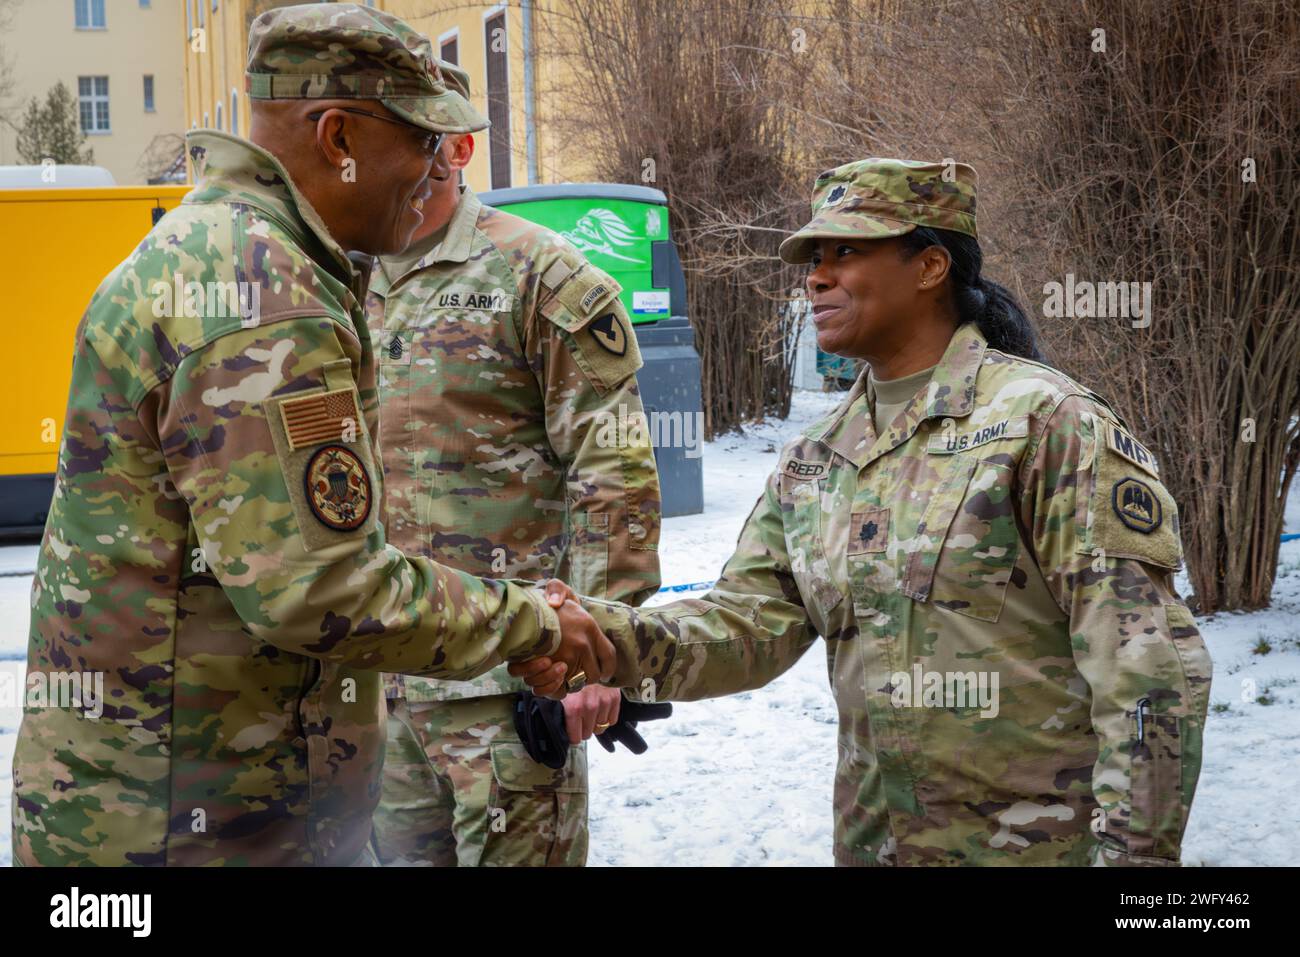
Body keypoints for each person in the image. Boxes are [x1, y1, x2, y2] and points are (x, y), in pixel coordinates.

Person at [11, 2, 611, 868]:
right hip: (188, 829)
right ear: (339, 137)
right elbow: (321, 587)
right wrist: (534, 624)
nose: (438, 168)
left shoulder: (218, 251)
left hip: (170, 805)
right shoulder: (260, 291)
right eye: (424, 142)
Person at [517, 158, 1212, 867]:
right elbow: (746, 622)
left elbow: (1146, 669)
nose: (817, 276)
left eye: (847, 252)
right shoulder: (814, 461)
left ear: (931, 266)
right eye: (814, 258)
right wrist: (605, 640)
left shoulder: (1047, 426)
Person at [364, 62, 661, 867]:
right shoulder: (338, 281)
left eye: (410, 139)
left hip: (510, 691)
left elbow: (614, 474)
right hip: (372, 694)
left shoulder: (540, 275)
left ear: (457, 149)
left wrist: (602, 657)